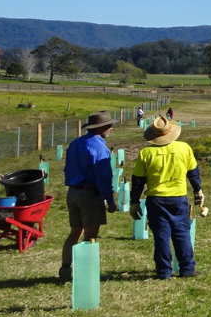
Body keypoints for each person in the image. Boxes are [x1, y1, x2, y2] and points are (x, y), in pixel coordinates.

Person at [130, 116, 203, 279]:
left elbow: (138, 181)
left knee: (161, 236)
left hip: (156, 199)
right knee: (182, 234)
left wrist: (134, 202)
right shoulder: (184, 148)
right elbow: (193, 173)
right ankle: (187, 268)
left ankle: (164, 271)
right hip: (178, 198)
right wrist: (198, 191)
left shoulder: (146, 153)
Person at [60, 111, 119, 282]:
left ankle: (65, 269)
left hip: (73, 192)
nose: (111, 128)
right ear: (100, 128)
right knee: (90, 237)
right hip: (89, 194)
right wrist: (110, 200)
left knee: (74, 233)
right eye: (109, 125)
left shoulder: (76, 143)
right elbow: (103, 177)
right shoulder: (99, 148)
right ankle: (87, 275)